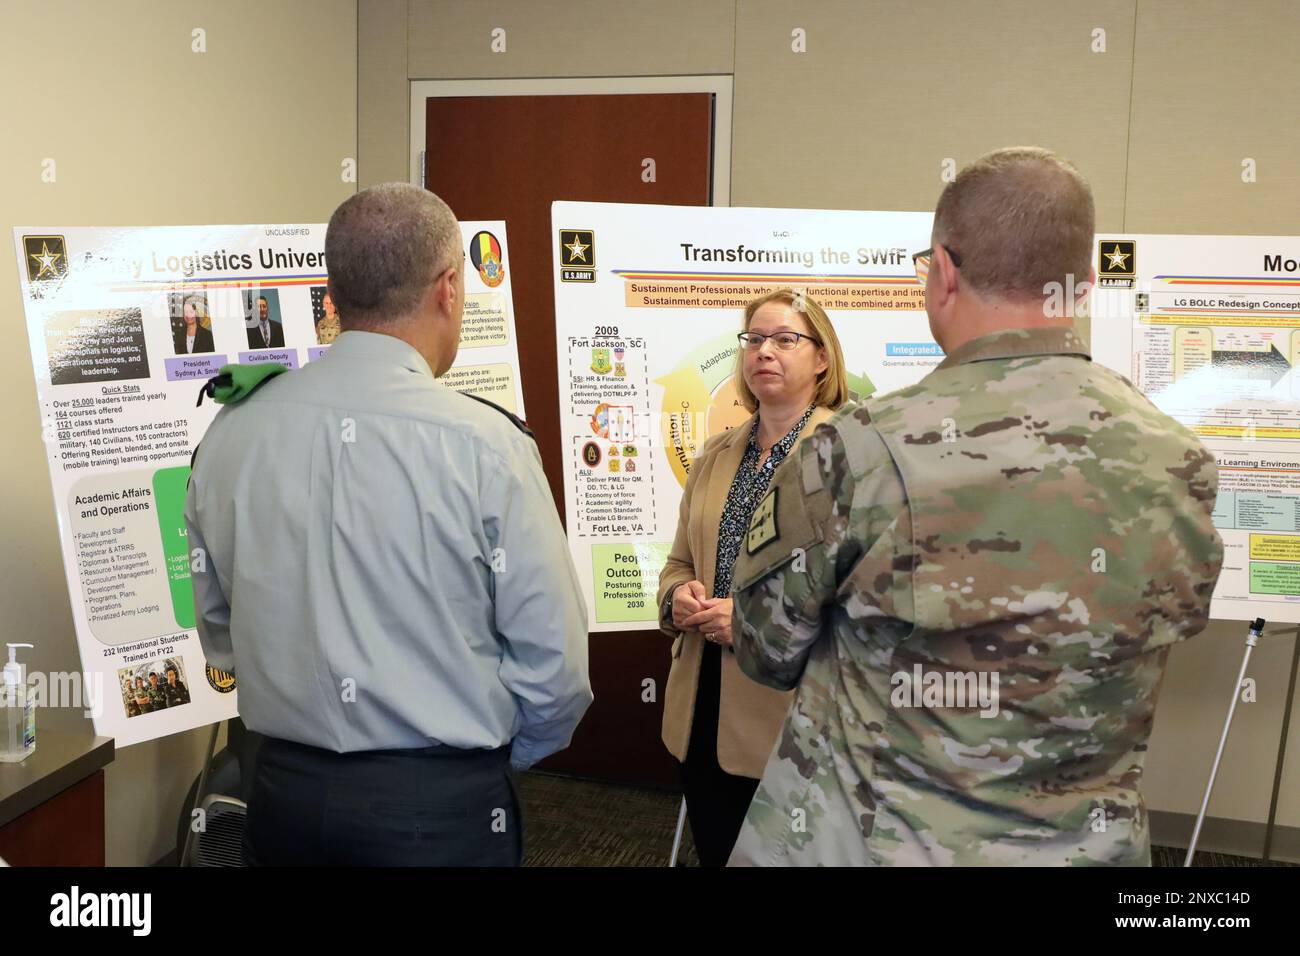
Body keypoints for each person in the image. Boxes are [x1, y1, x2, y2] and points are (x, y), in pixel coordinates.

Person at [727, 147, 1224, 867]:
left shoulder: (859, 450)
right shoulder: (1181, 459)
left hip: (882, 846)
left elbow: (766, 650)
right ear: (1083, 285)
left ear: (944, 273)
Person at [185, 182, 591, 867]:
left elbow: (218, 629)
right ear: (449, 289)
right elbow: (555, 667)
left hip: (281, 795)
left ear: (332, 295)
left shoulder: (232, 431)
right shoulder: (486, 446)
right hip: (439, 808)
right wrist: (491, 760)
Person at [657, 288, 851, 866]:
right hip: (703, 709)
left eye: (785, 339)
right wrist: (677, 596)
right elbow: (678, 563)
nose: (765, 351)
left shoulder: (850, 458)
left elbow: (865, 601)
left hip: (795, 717)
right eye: (755, 339)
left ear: (822, 358)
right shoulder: (715, 454)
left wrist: (752, 622)